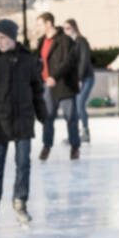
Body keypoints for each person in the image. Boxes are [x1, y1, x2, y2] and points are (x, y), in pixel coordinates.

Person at [0, 18, 48, 226]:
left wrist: (43, 116)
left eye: (3, 37)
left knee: (23, 164)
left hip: (23, 120)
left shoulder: (27, 60)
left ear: (13, 38)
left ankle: (20, 203)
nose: (0, 42)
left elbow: (37, 90)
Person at [34, 12, 80, 160]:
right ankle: (46, 146)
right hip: (47, 85)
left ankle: (75, 146)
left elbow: (69, 62)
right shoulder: (41, 41)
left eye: (40, 24)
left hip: (64, 85)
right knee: (48, 117)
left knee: (70, 117)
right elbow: (37, 61)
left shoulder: (65, 40)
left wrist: (55, 76)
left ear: (48, 23)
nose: (38, 28)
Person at [63, 19, 94, 144]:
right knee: (74, 107)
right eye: (64, 28)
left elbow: (84, 61)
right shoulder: (67, 44)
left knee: (80, 104)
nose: (66, 31)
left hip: (85, 78)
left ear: (75, 28)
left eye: (68, 28)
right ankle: (74, 134)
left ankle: (85, 132)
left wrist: (80, 78)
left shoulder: (81, 41)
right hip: (74, 80)